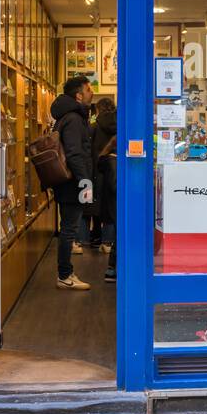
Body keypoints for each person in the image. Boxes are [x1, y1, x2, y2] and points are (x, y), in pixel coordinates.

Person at [51, 74, 95, 291]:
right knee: (69, 229)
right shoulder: (74, 119)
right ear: (78, 95)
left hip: (67, 181)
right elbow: (75, 153)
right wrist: (85, 181)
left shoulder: (66, 117)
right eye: (88, 89)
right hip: (72, 183)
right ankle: (65, 275)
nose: (91, 93)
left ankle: (65, 273)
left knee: (68, 228)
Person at [93, 99, 118, 282]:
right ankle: (108, 247)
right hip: (122, 181)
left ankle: (112, 265)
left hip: (105, 177)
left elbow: (97, 157)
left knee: (111, 215)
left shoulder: (94, 127)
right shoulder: (121, 124)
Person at [89, 98, 116, 255]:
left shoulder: (94, 127)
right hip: (114, 171)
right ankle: (109, 241)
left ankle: (96, 237)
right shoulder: (120, 125)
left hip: (97, 169)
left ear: (98, 110)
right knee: (111, 206)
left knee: (95, 204)